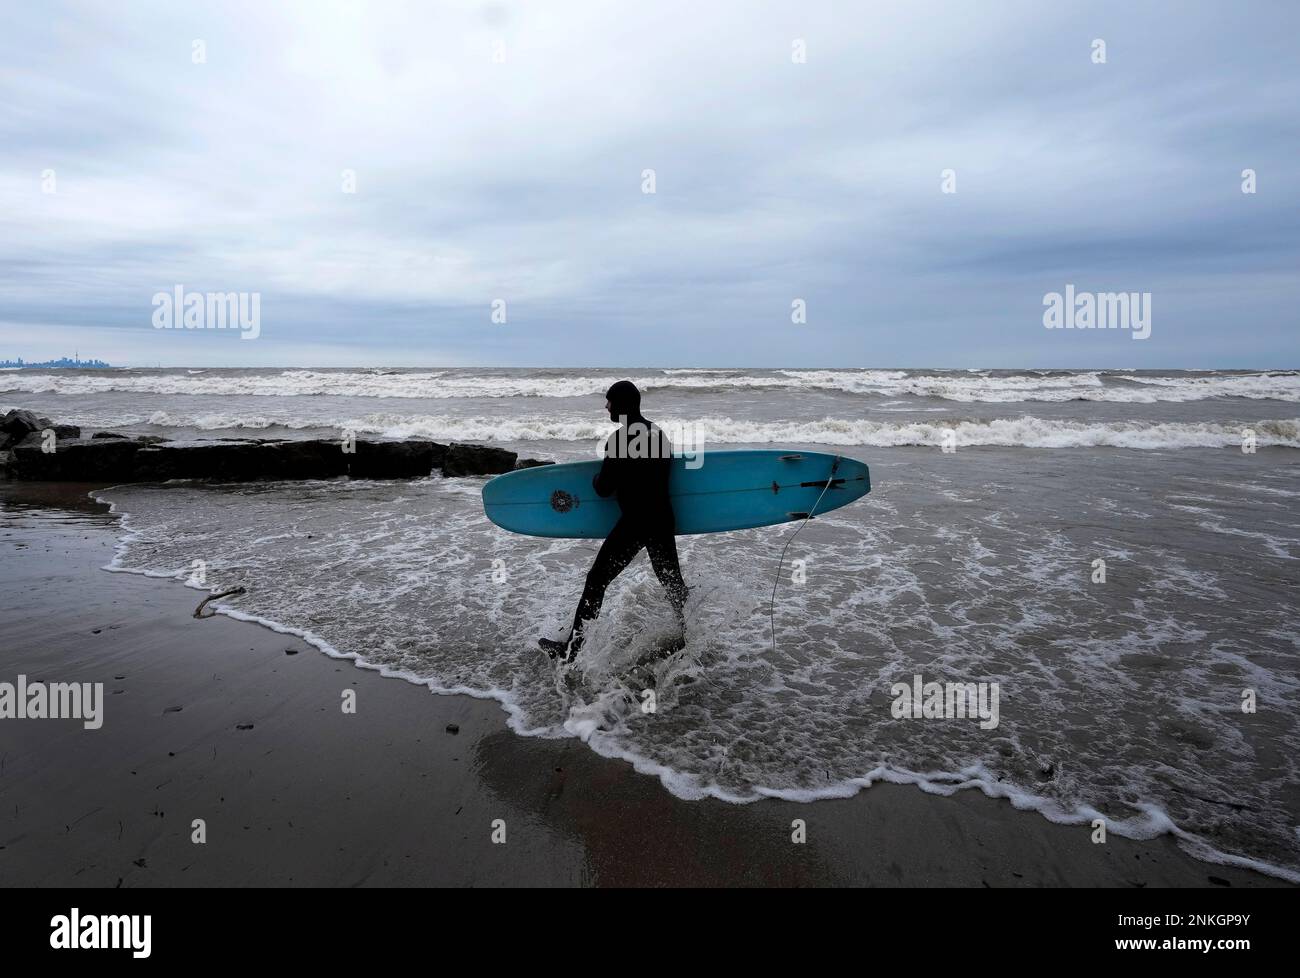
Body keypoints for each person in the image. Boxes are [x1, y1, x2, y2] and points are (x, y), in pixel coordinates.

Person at [539, 380, 689, 661]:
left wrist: (595, 477)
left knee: (596, 581)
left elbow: (604, 488)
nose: (606, 406)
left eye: (609, 401)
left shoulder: (619, 440)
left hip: (635, 523)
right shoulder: (658, 434)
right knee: (672, 584)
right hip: (662, 519)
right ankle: (691, 636)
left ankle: (573, 650)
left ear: (620, 405)